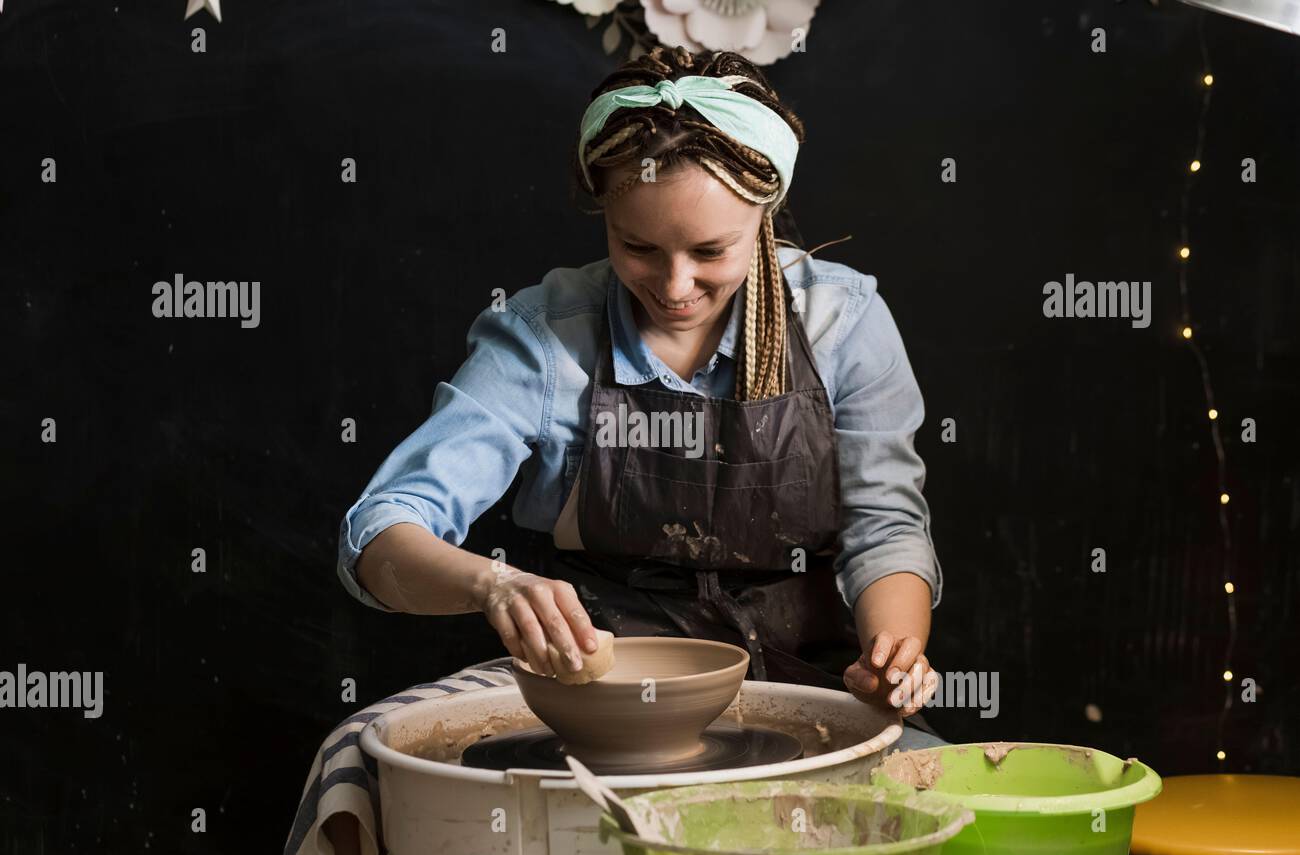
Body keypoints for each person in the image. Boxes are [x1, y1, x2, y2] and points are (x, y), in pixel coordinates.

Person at [339, 45, 946, 744]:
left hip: (806, 674)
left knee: (924, 795)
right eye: (640, 248)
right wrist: (494, 586)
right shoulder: (542, 338)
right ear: (605, 215)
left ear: (765, 213)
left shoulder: (843, 322)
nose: (675, 286)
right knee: (368, 749)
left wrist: (890, 655)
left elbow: (887, 525)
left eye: (711, 252)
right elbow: (379, 532)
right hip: (594, 681)